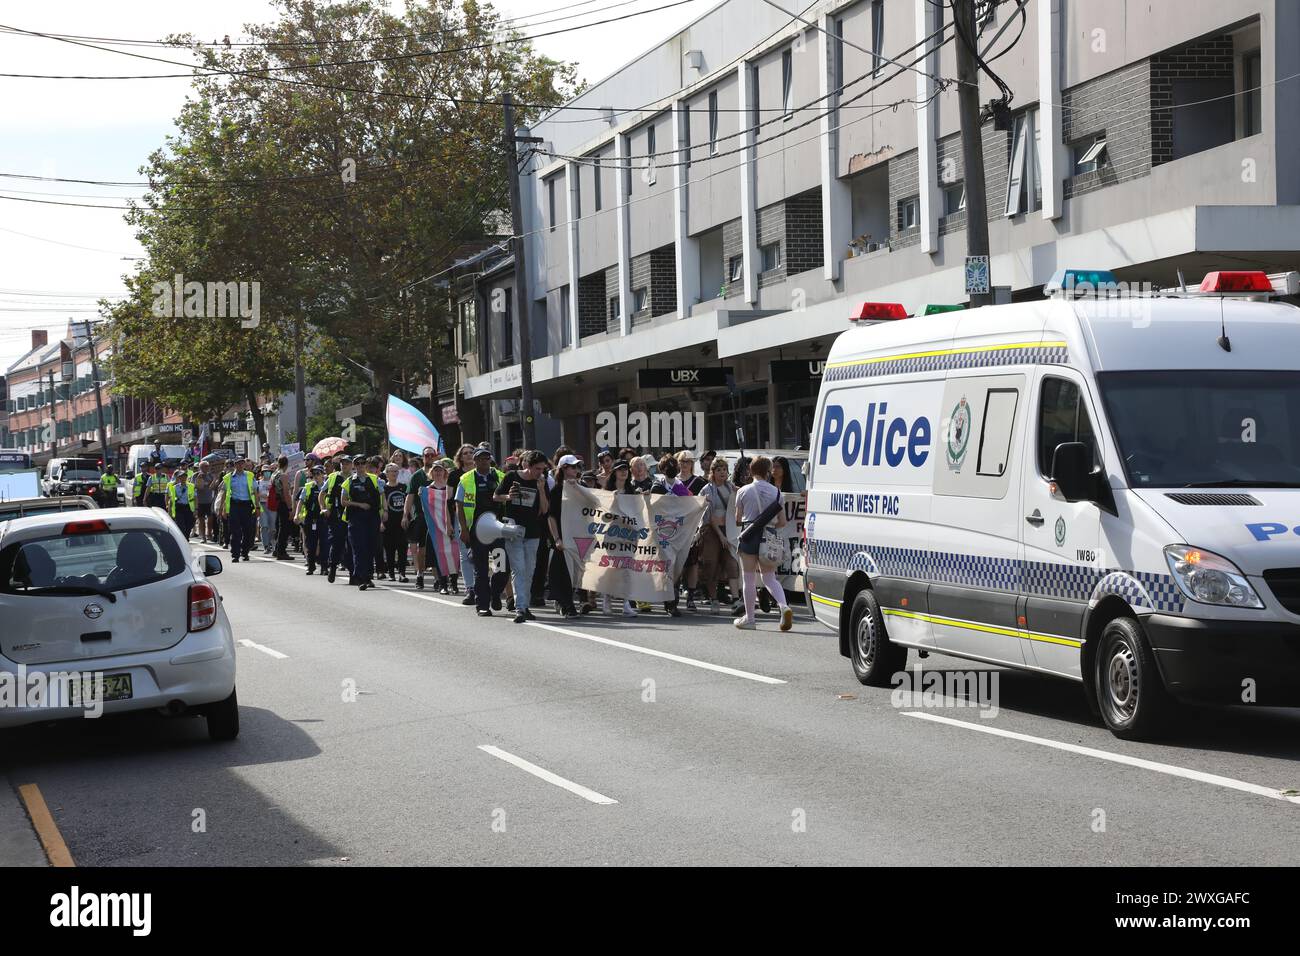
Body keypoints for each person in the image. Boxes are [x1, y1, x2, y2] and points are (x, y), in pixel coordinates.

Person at [733, 456, 793, 632]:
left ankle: (750, 618)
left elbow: (738, 519)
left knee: (749, 577)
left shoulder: (743, 491)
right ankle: (783, 606)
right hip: (770, 534)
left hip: (749, 534)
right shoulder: (776, 492)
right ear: (768, 472)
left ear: (751, 471)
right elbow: (782, 522)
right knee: (769, 577)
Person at [493, 450, 549, 624]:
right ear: (528, 466)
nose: (540, 472)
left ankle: (524, 606)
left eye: (543, 469)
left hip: (533, 532)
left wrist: (541, 489)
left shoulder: (542, 482)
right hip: (514, 529)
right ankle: (520, 608)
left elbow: (545, 509)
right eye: (537, 468)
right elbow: (496, 496)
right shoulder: (511, 476)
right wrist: (509, 496)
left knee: (530, 570)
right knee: (519, 569)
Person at [458, 445, 508, 617]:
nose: (484, 461)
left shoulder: (501, 476)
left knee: (502, 568)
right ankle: (482, 605)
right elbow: (459, 506)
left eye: (487, 458)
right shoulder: (465, 479)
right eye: (480, 458)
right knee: (480, 570)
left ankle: (495, 594)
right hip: (476, 533)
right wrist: (463, 529)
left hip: (497, 531)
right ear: (475, 461)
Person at [697, 458, 740, 615]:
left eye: (724, 469)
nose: (722, 472)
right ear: (712, 472)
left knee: (731, 563)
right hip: (711, 531)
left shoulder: (732, 488)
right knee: (711, 564)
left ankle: (736, 600)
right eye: (719, 470)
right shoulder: (706, 490)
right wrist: (721, 536)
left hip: (730, 530)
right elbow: (709, 516)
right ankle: (713, 599)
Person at [546, 455, 582, 617]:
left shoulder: (580, 489)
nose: (575, 470)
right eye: (572, 467)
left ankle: (563, 600)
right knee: (562, 571)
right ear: (563, 469)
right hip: (562, 536)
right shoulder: (556, 490)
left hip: (577, 536)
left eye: (576, 467)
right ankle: (567, 604)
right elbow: (551, 516)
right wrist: (557, 539)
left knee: (574, 572)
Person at [341, 454, 381, 590]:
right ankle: (360, 578)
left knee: (371, 547)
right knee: (359, 548)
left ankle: (369, 576)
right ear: (354, 465)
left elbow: (383, 496)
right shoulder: (349, 481)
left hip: (372, 518)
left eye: (362, 463)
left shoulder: (375, 479)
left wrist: (385, 511)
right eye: (357, 463)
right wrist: (359, 504)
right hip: (356, 518)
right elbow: (343, 501)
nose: (360, 466)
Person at [402, 446, 438, 590]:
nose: (429, 457)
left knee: (437, 549)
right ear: (422, 457)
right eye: (426, 455)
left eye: (431, 455)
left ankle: (438, 579)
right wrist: (405, 515)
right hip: (422, 517)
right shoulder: (417, 476)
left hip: (439, 518)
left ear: (435, 456)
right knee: (422, 550)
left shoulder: (440, 473)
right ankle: (420, 574)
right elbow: (409, 497)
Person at [423, 458, 460, 594]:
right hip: (436, 527)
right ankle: (443, 584)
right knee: (440, 554)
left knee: (454, 554)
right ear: (432, 472)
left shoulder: (450, 488)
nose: (438, 472)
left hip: (453, 524)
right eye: (435, 470)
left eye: (440, 470)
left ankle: (454, 583)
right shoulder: (427, 490)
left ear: (445, 472)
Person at [447, 444, 477, 600]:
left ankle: (482, 585)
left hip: (480, 519)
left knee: (480, 554)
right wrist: (449, 523)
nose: (469, 455)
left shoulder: (482, 473)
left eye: (471, 452)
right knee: (465, 554)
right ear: (460, 457)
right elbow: (449, 501)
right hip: (460, 519)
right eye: (465, 453)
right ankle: (469, 588)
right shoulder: (454, 475)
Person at [319, 456, 354, 583]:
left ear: (352, 465)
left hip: (351, 516)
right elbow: (321, 494)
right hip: (335, 516)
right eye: (343, 463)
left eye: (347, 463)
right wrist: (323, 508)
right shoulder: (333, 477)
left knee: (351, 545)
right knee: (336, 543)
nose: (344, 466)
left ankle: (352, 573)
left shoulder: (355, 478)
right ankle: (332, 567)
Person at [223, 458, 259, 562]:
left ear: (244, 465)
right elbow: (225, 494)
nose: (240, 465)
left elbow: (255, 492)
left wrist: (257, 507)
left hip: (247, 506)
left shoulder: (250, 475)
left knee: (248, 531)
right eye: (238, 464)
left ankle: (245, 552)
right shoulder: (228, 477)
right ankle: (235, 554)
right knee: (235, 532)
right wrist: (223, 509)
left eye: (241, 463)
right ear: (234, 465)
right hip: (235, 506)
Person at [381, 462, 408, 583]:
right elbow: (380, 506)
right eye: (391, 471)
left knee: (402, 549)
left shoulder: (403, 487)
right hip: (388, 523)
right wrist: (381, 522)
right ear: (386, 474)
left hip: (401, 522)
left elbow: (408, 504)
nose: (394, 473)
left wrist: (406, 517)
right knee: (389, 549)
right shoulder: (383, 489)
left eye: (396, 471)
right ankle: (391, 573)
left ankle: (402, 573)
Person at [297, 465, 325, 575]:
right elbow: (301, 501)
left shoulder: (327, 487)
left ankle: (324, 566)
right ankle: (311, 566)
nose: (316, 476)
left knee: (324, 543)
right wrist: (297, 514)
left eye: (318, 473)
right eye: (314, 474)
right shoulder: (308, 487)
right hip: (310, 519)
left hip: (323, 519)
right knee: (311, 544)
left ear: (323, 475)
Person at [272, 455, 295, 560]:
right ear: (287, 464)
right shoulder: (283, 475)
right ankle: (281, 551)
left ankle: (277, 549)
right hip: (283, 502)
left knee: (279, 527)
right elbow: (286, 492)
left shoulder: (274, 474)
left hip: (277, 502)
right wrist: (290, 508)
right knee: (284, 528)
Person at [167, 465, 196, 540]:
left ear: (186, 477)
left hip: (188, 508)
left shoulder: (191, 486)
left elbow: (195, 498)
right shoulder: (174, 487)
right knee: (181, 525)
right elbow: (171, 500)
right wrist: (169, 511)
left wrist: (196, 509)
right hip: (179, 508)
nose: (183, 478)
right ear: (178, 478)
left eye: (184, 476)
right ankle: (184, 539)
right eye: (181, 477)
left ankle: (186, 537)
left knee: (189, 525)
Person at [194, 461, 215, 540]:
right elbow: (199, 487)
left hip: (209, 500)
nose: (206, 467)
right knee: (201, 519)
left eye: (207, 466)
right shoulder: (196, 475)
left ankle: (209, 534)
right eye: (205, 466)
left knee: (210, 518)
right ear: (200, 467)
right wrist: (199, 479)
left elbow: (213, 486)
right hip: (200, 501)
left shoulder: (210, 475)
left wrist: (214, 479)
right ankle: (203, 536)